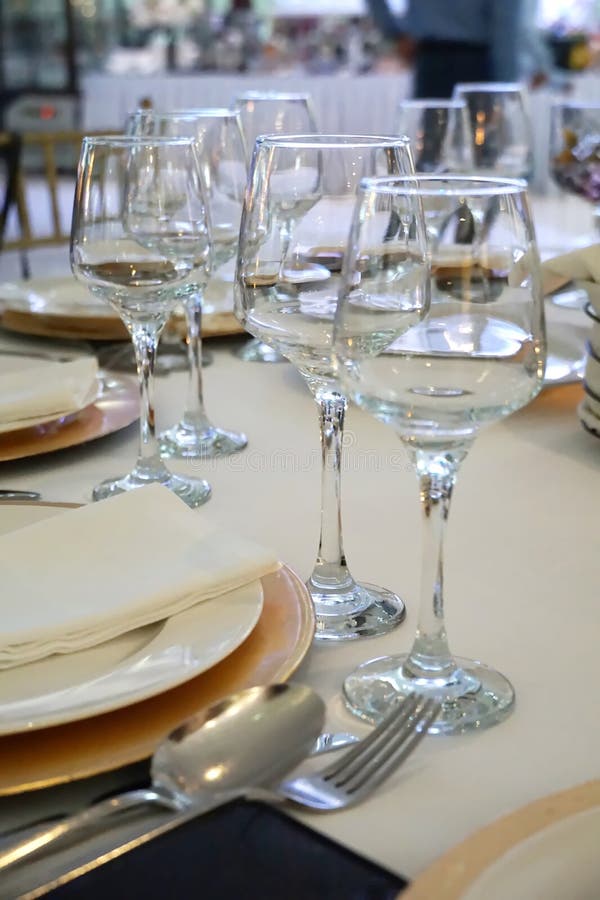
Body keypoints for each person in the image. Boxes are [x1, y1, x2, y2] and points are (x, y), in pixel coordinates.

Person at [366, 0, 523, 98]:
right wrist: (505, 91)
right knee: (479, 136)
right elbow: (505, 25)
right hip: (474, 64)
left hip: (431, 62)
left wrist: (394, 33)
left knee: (434, 136)